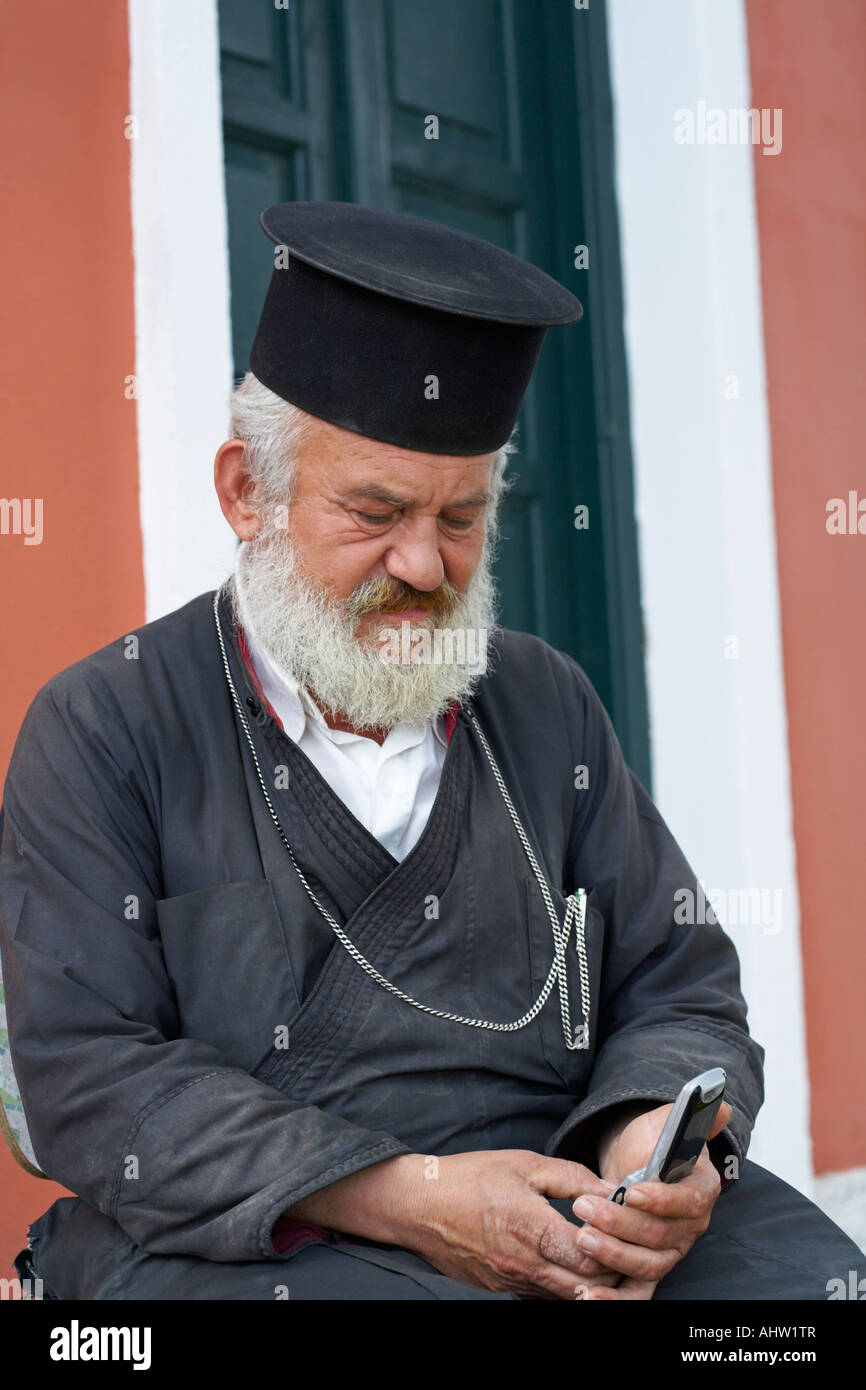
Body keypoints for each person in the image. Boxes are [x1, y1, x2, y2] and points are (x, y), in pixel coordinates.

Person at [1, 204, 862, 1301]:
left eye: (463, 516)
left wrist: (657, 1153)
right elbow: (88, 1079)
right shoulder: (105, 723)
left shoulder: (543, 700)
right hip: (267, 1229)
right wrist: (411, 1194)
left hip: (554, 1197)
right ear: (245, 493)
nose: (423, 563)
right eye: (375, 511)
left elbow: (680, 986)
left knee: (812, 1295)